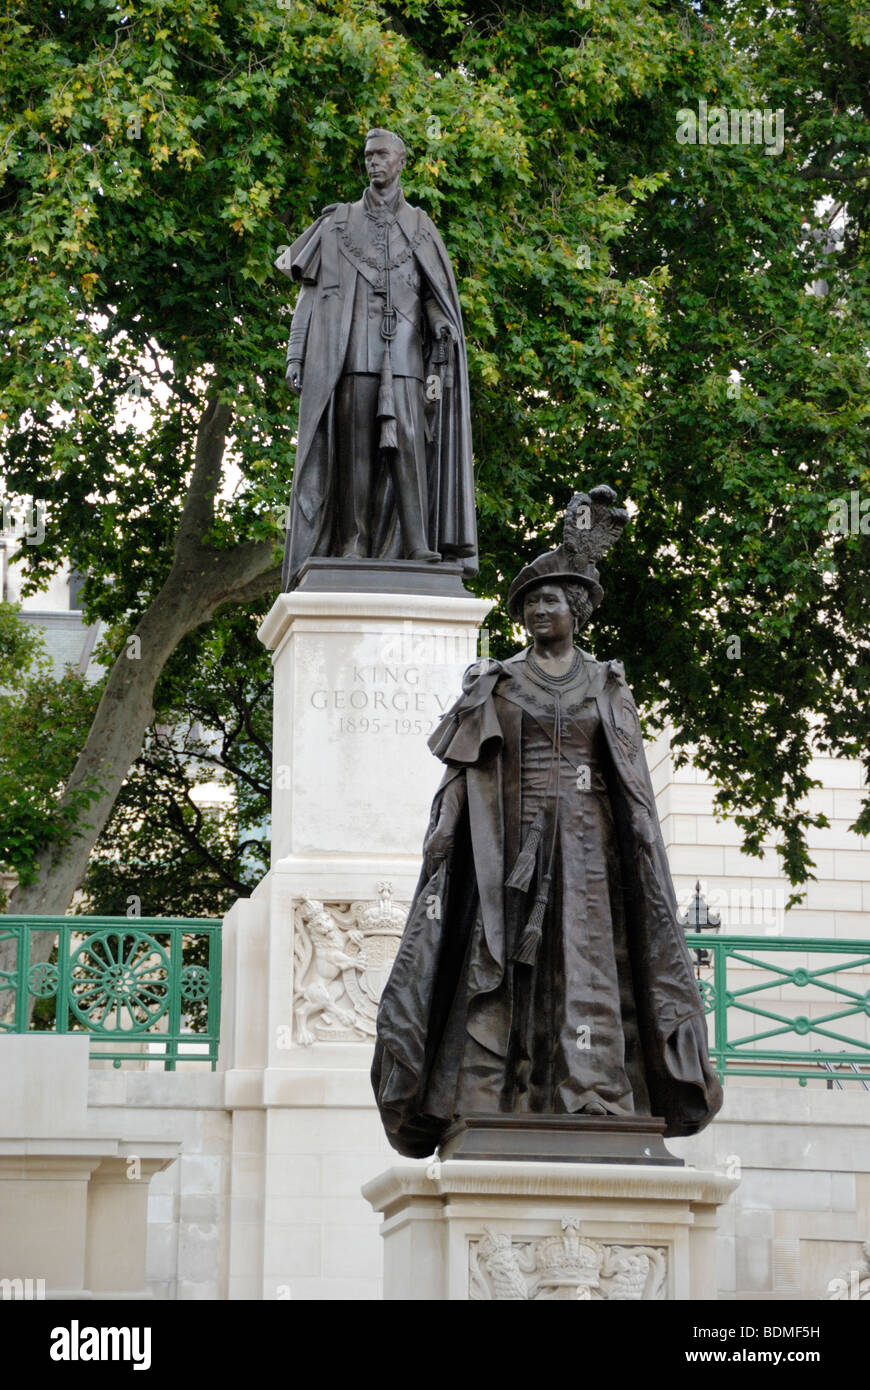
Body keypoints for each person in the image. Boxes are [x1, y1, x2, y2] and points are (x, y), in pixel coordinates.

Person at [372, 487, 723, 1158]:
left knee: (589, 965)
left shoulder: (607, 684)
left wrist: (641, 857)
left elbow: (630, 781)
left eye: (552, 600)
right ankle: (500, 1096)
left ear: (579, 611)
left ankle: (591, 1094)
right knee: (503, 966)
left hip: (593, 851)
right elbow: (462, 766)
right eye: (531, 602)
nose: (539, 609)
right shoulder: (496, 681)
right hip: (510, 845)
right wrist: (445, 832)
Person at [275, 128, 477, 588]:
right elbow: (308, 299)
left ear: (402, 162)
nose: (373, 162)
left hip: (405, 359)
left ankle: (417, 542)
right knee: (355, 455)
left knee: (408, 447)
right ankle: (353, 542)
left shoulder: (422, 226)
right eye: (367, 156)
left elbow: (432, 295)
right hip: (350, 360)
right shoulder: (337, 223)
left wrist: (442, 325)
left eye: (382, 155)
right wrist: (296, 355)